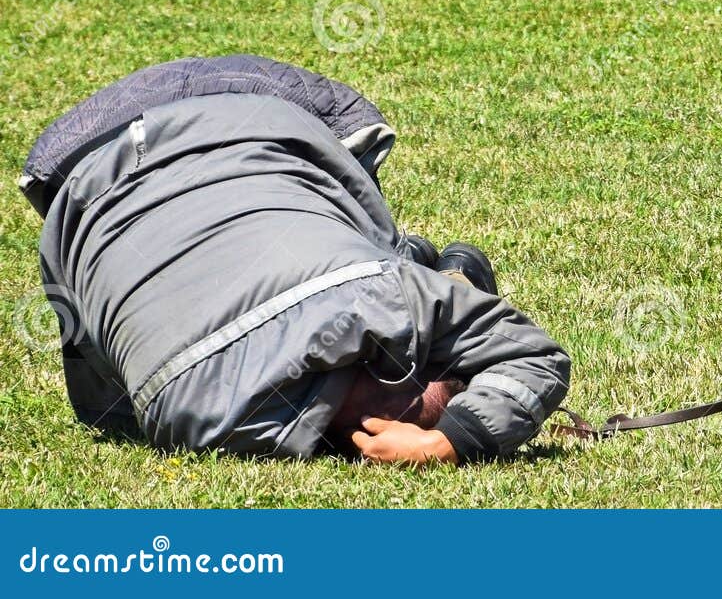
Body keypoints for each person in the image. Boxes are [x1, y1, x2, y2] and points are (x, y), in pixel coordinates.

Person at [21, 54, 571, 464]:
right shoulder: (196, 420)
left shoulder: (383, 300)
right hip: (75, 171)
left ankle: (418, 260)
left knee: (356, 194)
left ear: (399, 360)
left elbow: (535, 359)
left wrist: (448, 438)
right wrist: (450, 441)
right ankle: (415, 260)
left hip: (230, 107)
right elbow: (105, 394)